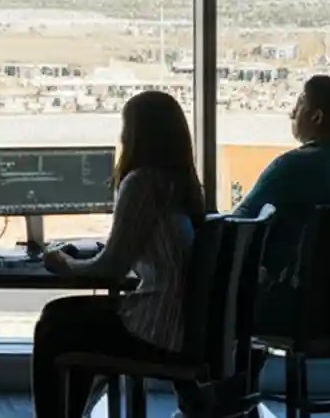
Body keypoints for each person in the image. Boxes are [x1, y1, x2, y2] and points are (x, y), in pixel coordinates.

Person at [32, 91, 205, 418]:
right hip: (184, 325)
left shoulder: (142, 183)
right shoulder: (182, 184)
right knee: (73, 324)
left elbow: (111, 269)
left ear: (137, 133)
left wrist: (64, 262)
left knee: (55, 322)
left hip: (156, 328)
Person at [232, 74, 330, 336]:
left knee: (223, 297)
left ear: (316, 116)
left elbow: (236, 227)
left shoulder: (292, 168)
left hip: (299, 314)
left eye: (298, 104)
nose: (291, 113)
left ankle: (226, 377)